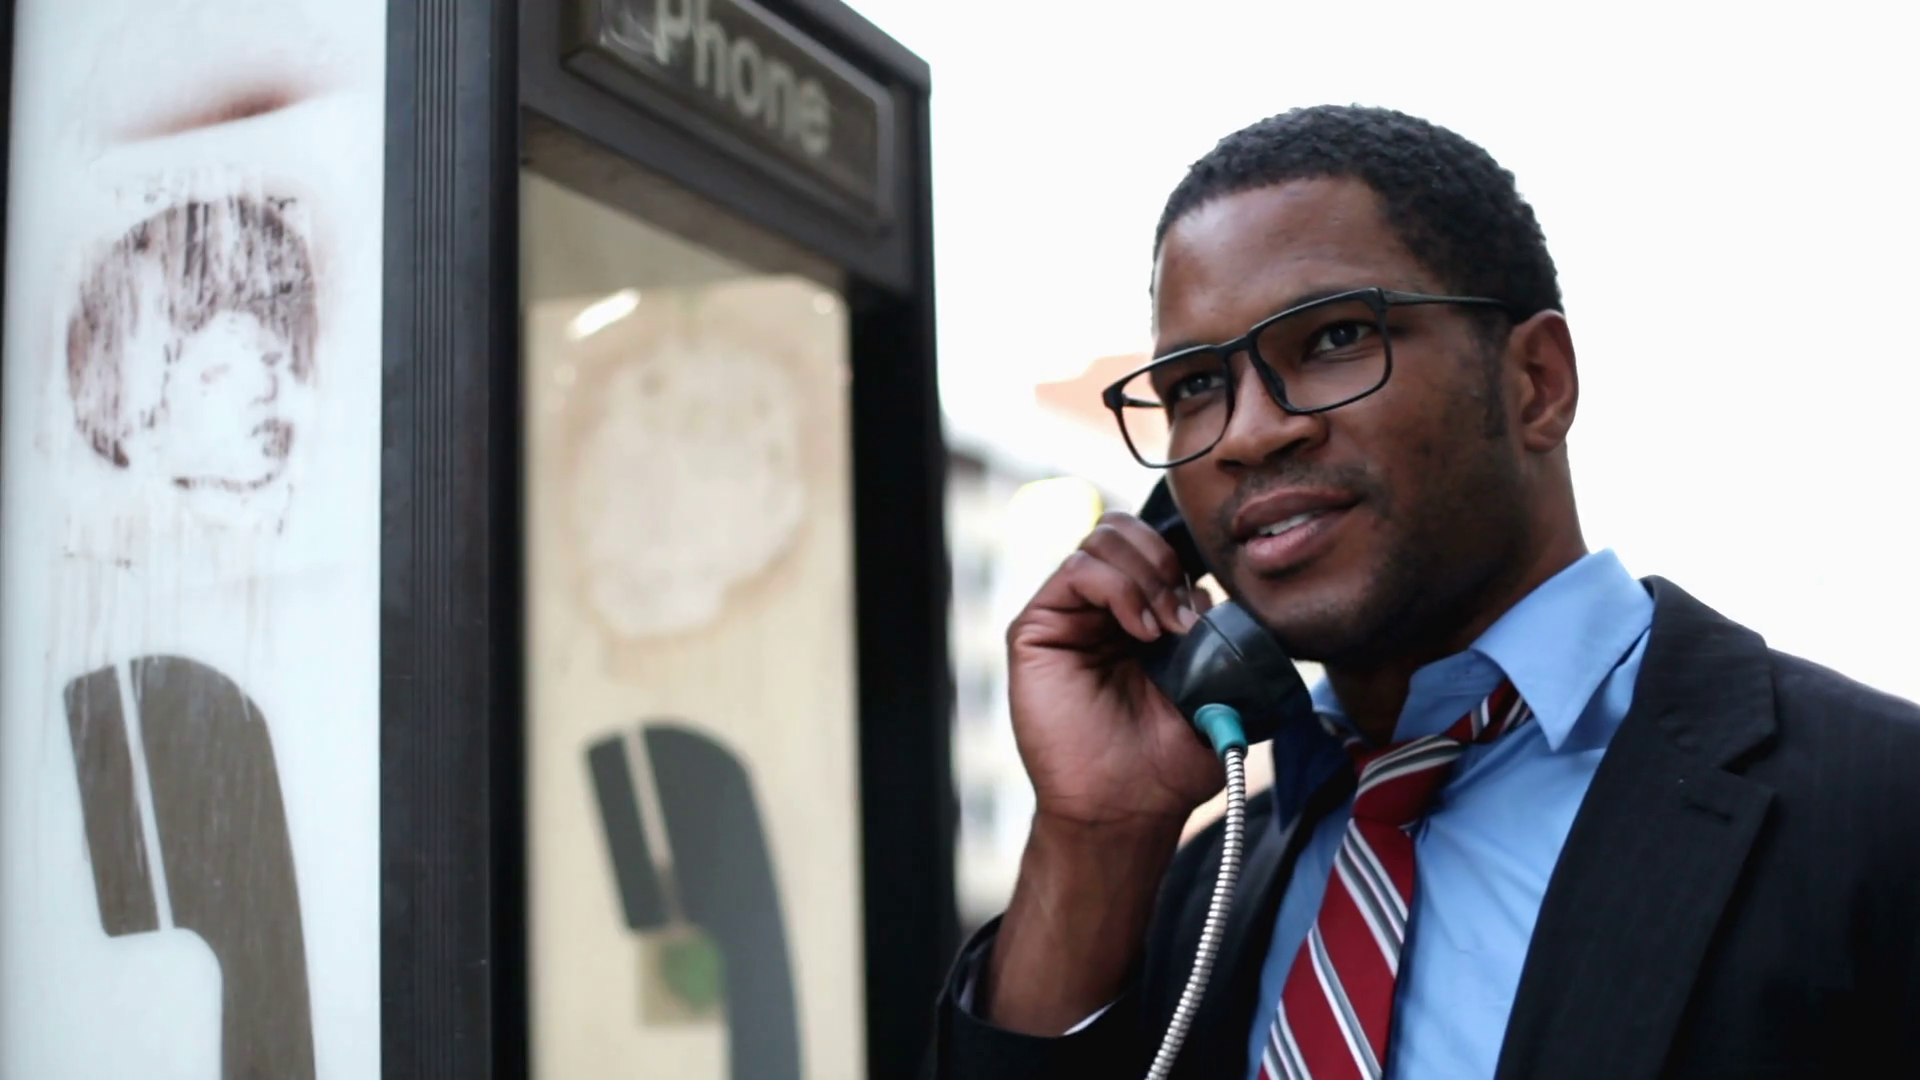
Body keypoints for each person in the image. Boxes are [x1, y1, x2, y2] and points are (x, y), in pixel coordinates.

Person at [925, 105, 1920, 1079]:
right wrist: (1095, 835)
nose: (1249, 434)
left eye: (1332, 340)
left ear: (1536, 382)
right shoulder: (1202, 891)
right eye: (1195, 388)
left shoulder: (1876, 802)